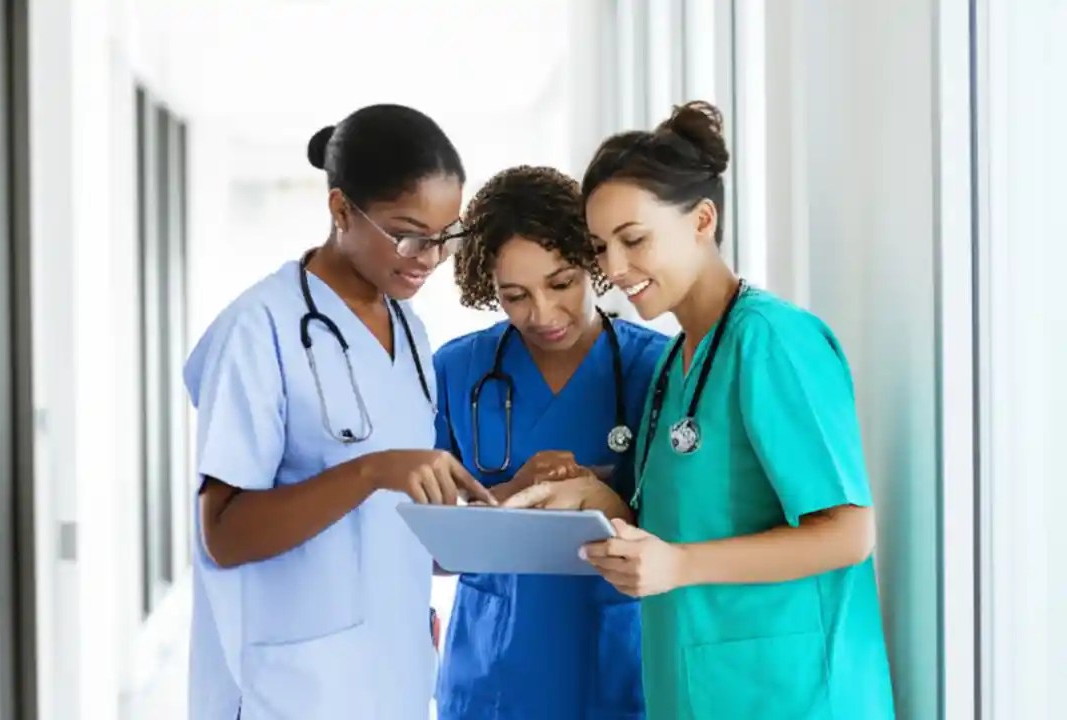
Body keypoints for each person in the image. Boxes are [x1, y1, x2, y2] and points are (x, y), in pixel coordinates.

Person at [506, 102, 896, 719]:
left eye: (633, 240)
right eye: (601, 247)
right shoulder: (675, 361)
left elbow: (847, 533)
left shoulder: (771, 341)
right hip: (698, 688)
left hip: (789, 694)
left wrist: (679, 566)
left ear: (702, 219)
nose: (613, 269)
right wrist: (594, 500)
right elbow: (689, 520)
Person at [182, 104, 495, 720]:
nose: (428, 257)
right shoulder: (259, 328)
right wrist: (370, 471)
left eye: (445, 236)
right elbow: (222, 533)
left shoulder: (410, 332)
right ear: (340, 210)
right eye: (408, 234)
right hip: (294, 690)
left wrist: (503, 508)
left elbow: (393, 525)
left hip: (393, 677)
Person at [432, 166, 668, 719]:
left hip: (617, 655)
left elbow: (687, 529)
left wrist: (600, 496)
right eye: (513, 295)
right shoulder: (456, 369)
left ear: (593, 260)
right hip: (495, 670)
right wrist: (513, 491)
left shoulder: (656, 368)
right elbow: (427, 548)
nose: (542, 314)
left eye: (561, 283)